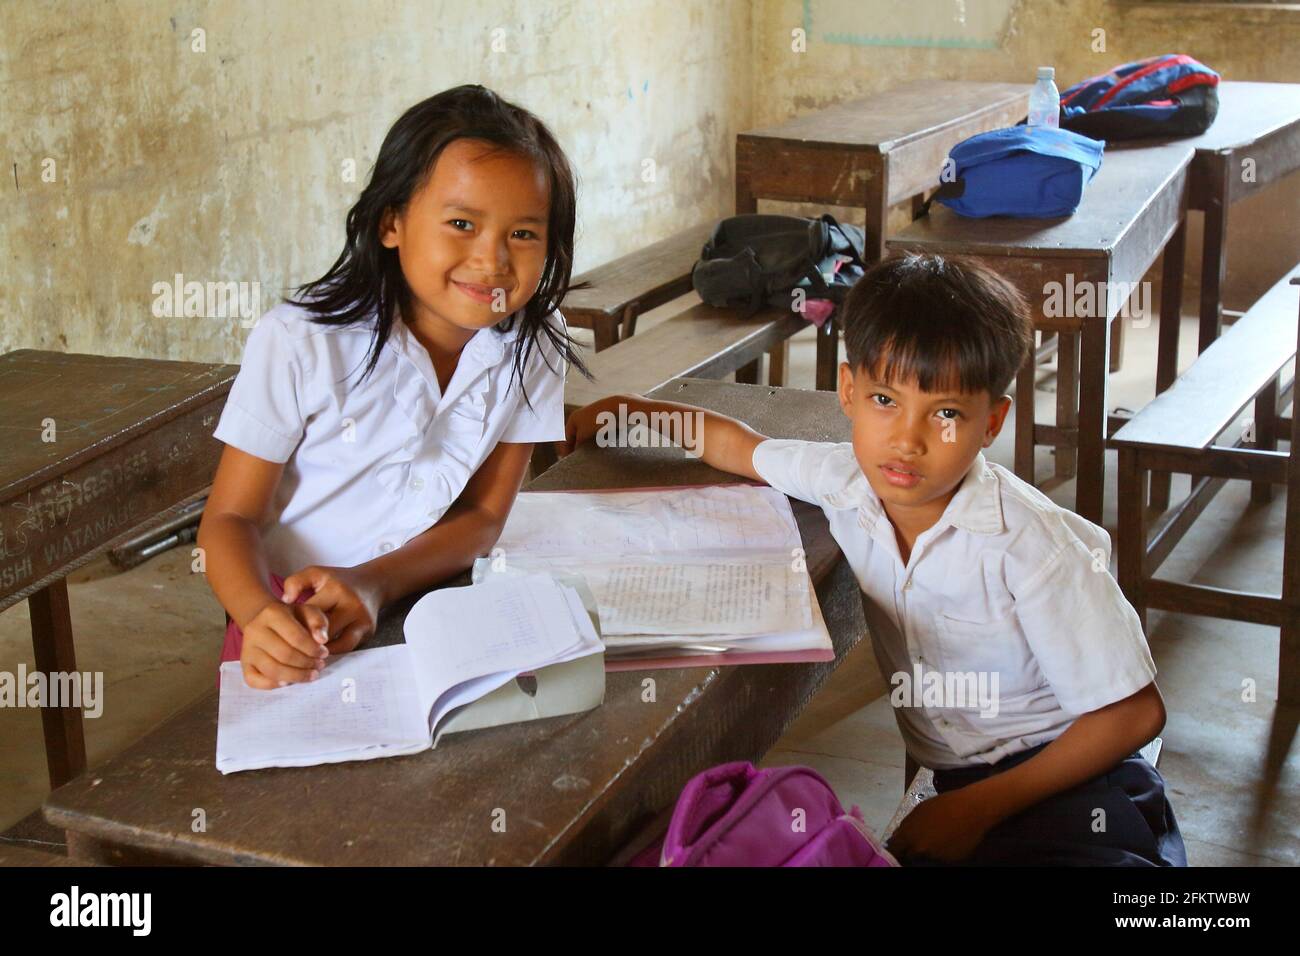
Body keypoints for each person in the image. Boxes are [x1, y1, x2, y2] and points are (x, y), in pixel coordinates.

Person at [564, 252, 1186, 866]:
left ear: (991, 422)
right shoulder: (843, 482)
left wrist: (974, 810)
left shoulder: (1029, 546)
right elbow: (736, 445)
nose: (907, 441)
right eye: (885, 401)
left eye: (946, 413)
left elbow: (1133, 713)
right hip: (966, 789)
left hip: (1077, 786)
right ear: (848, 392)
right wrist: (626, 414)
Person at [197, 85, 584, 690]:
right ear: (391, 223)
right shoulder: (301, 340)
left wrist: (376, 584)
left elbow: (484, 515)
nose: (492, 260)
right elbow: (228, 518)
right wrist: (258, 614)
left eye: (524, 234)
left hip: (428, 589)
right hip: (295, 615)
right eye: (461, 223)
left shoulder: (535, 339)